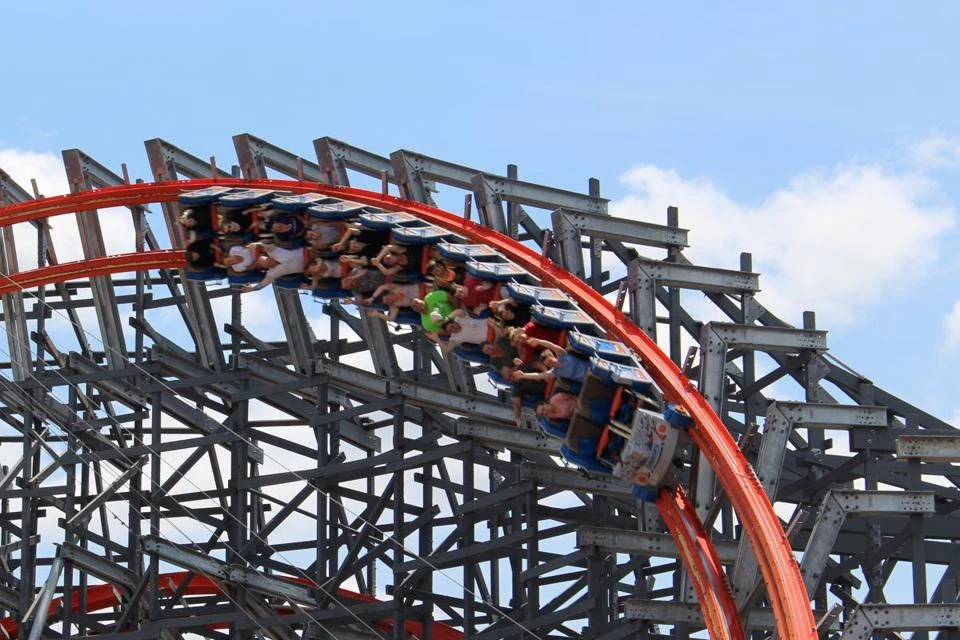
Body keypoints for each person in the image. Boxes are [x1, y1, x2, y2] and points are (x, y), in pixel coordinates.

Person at [240, 244, 308, 292]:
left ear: (269, 257)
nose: (268, 262)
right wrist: (252, 289)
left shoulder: (274, 252)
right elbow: (262, 285)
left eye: (266, 260)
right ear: (266, 267)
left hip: (307, 253)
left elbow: (264, 246)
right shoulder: (272, 273)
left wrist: (255, 244)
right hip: (308, 267)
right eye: (265, 264)